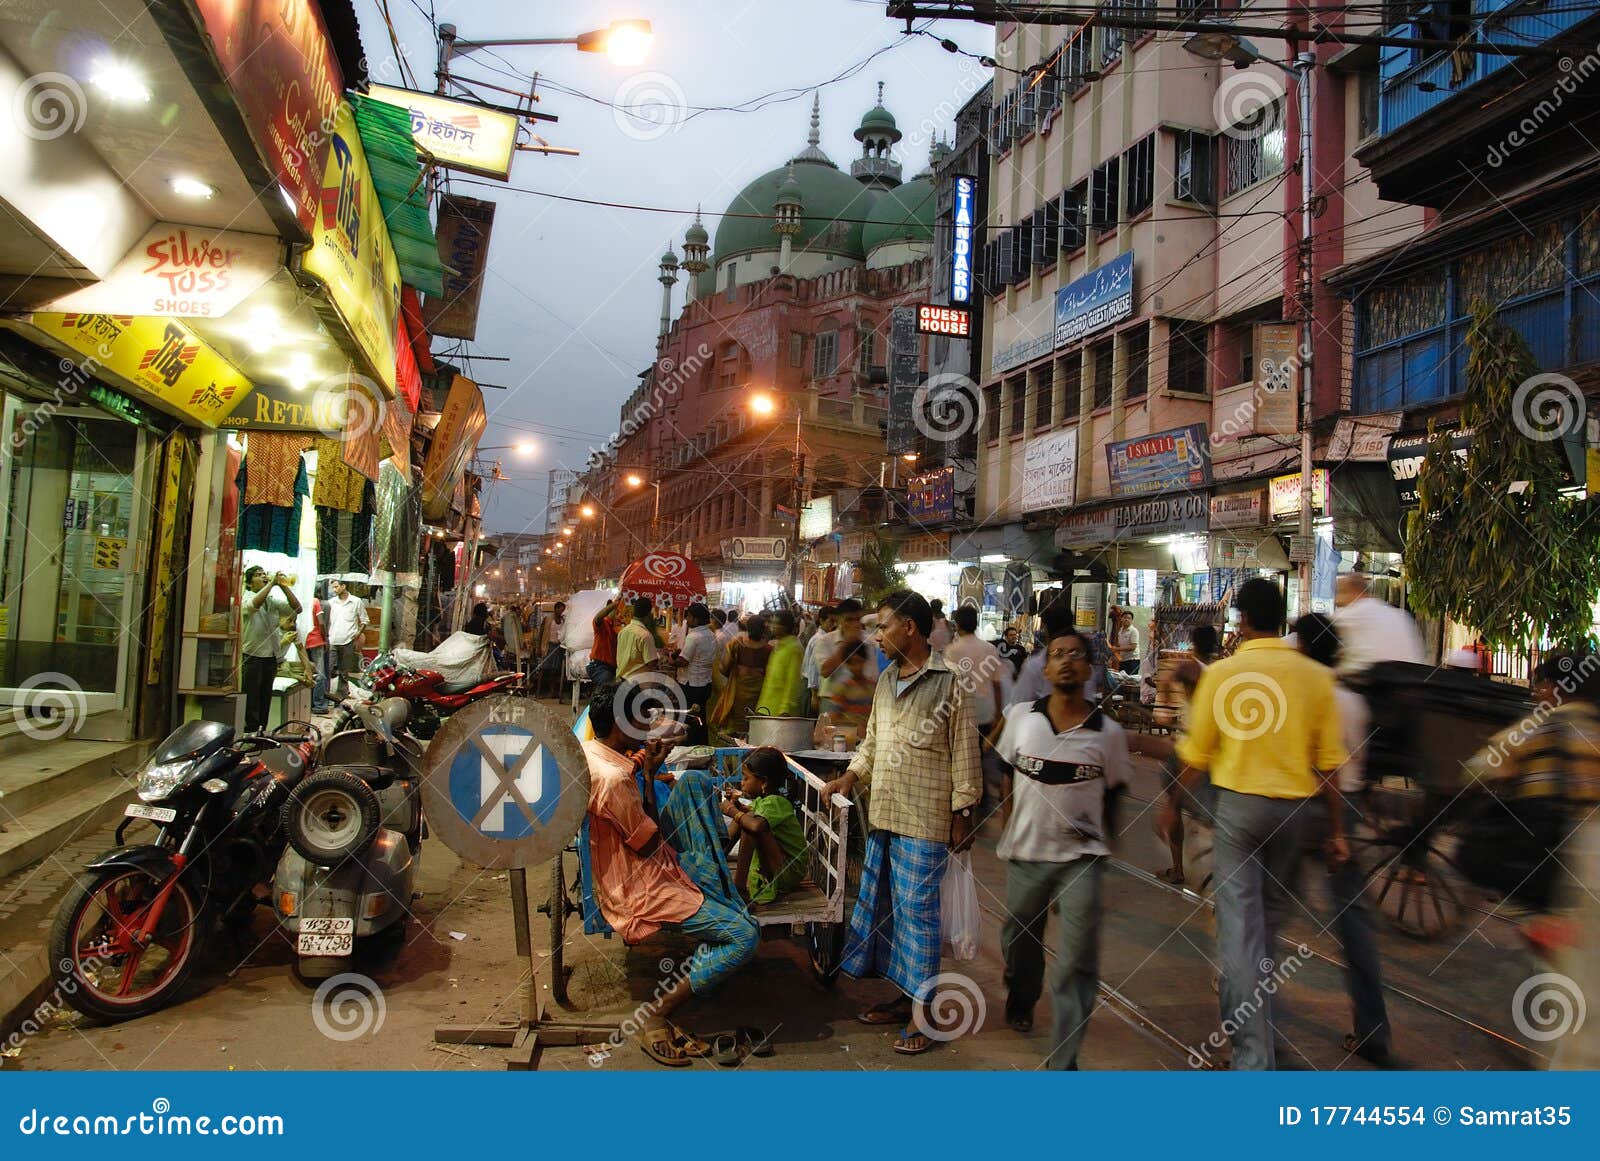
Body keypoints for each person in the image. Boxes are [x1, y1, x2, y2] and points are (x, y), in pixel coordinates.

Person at [1167, 579, 1348, 1070]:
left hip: (1240, 814)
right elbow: (1330, 765)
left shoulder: (1223, 675)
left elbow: (1197, 756)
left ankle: (1253, 1058)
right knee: (1265, 933)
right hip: (1296, 815)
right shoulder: (1315, 678)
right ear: (1282, 618)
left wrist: (1171, 804)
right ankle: (1250, 1028)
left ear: (1242, 620)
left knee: (1240, 933)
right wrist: (1336, 832)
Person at [821, 591, 983, 1055]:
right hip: (885, 814)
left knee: (918, 917)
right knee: (887, 912)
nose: (876, 635)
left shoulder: (950, 682)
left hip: (925, 818)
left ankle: (926, 1017)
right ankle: (904, 997)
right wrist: (850, 776)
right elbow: (872, 742)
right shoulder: (889, 677)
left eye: (884, 626)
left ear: (909, 628)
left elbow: (966, 755)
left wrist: (963, 813)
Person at [582, 682, 759, 1066]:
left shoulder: (597, 752)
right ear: (618, 724)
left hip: (639, 856)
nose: (646, 728)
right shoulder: (615, 778)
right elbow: (648, 843)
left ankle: (719, 883)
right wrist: (646, 775)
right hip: (640, 882)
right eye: (638, 720)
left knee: (695, 781)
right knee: (744, 936)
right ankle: (657, 1014)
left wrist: (650, 771)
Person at [993, 626, 1131, 1068]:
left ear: (1089, 668)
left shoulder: (1107, 732)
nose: (1067, 660)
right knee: (1018, 940)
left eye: (1076, 654)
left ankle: (1063, 1059)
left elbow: (1115, 794)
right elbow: (1003, 775)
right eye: (1058, 654)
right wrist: (1008, 824)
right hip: (1027, 852)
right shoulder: (1021, 718)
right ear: (1046, 667)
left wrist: (1111, 850)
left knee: (1076, 961)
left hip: (1082, 859)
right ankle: (1022, 993)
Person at [1292, 613, 1394, 1067]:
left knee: (1264, 916)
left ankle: (1254, 1028)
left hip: (1303, 808)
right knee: (1355, 926)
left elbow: (1320, 766)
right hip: (1345, 810)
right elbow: (1358, 767)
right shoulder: (1355, 702)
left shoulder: (1305, 695)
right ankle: (1374, 1030)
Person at [721, 746, 810, 905]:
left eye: (745, 778)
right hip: (778, 863)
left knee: (750, 825)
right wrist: (738, 808)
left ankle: (740, 888)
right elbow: (753, 813)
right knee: (745, 819)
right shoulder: (764, 800)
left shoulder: (776, 802)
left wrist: (731, 810)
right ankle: (719, 863)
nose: (742, 783)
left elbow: (756, 826)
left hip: (789, 871)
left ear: (763, 782)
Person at [944, 604, 1009, 818]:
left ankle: (967, 802)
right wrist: (998, 712)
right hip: (985, 712)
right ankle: (983, 801)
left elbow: (948, 686)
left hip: (962, 711)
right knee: (981, 757)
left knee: (963, 757)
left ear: (958, 624)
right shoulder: (989, 649)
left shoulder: (952, 651)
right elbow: (998, 684)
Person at [241, 566, 302, 734]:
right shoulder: (246, 597)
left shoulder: (272, 601)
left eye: (263, 574)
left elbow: (297, 609)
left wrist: (283, 586)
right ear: (249, 582)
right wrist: (271, 584)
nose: (263, 577)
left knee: (265, 698)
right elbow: (254, 605)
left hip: (270, 657)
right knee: (251, 699)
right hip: (252, 656)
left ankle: (262, 732)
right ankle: (249, 735)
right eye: (258, 575)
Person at [1333, 572, 1424, 677]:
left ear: (1353, 591)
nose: (1337, 599)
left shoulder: (1354, 612)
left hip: (1372, 685)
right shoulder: (1401, 616)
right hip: (1411, 683)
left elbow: (1319, 629)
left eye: (1341, 592)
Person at [719, 615, 772, 734]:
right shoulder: (769, 649)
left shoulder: (736, 644)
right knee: (754, 725)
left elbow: (723, 668)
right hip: (760, 692)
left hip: (738, 690)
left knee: (738, 725)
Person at [678, 603, 718, 746]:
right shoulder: (711, 634)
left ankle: (690, 745)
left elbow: (683, 661)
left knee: (689, 717)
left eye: (688, 616)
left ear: (695, 619)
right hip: (705, 682)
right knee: (700, 716)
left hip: (691, 683)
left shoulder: (694, 636)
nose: (687, 619)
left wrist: (671, 660)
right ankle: (701, 744)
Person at [819, 641, 875, 741]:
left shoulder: (873, 687)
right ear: (846, 665)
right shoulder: (842, 688)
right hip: (848, 738)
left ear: (865, 661)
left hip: (869, 737)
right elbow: (833, 718)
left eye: (859, 661)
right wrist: (854, 729)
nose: (856, 667)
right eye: (851, 663)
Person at [756, 609, 805, 717]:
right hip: (766, 707)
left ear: (785, 627)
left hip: (779, 712)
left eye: (775, 623)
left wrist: (785, 709)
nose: (770, 626)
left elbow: (792, 682)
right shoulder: (778, 645)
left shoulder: (794, 648)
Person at [325, 578, 366, 700]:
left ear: (344, 586)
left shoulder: (356, 601)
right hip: (332, 640)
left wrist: (358, 633)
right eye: (333, 587)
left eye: (336, 587)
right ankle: (326, 695)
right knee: (329, 668)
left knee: (344, 670)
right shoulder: (331, 602)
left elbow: (364, 620)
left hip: (348, 640)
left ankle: (341, 695)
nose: (334, 589)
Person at [801, 604, 840, 713]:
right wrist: (814, 695)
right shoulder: (820, 640)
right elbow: (813, 669)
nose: (834, 625)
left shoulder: (826, 638)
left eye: (836, 621)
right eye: (831, 621)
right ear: (821, 621)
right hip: (811, 687)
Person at [616, 597, 662, 680]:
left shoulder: (623, 631)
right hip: (638, 683)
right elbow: (651, 662)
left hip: (622, 679)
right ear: (648, 614)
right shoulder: (645, 635)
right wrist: (659, 658)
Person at [303, 588, 330, 714]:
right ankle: (318, 705)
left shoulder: (300, 600)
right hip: (316, 640)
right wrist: (325, 639)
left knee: (307, 672)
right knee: (320, 674)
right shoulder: (315, 602)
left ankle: (306, 703)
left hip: (302, 641)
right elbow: (322, 623)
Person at [590, 598, 626, 685]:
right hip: (600, 667)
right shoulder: (604, 623)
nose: (620, 616)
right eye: (617, 612)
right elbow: (597, 618)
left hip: (614, 668)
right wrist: (615, 604)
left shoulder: (620, 629)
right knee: (607, 685)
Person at [1110, 610, 1141, 675]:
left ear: (1132, 620)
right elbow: (1120, 645)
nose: (1126, 619)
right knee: (1122, 679)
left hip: (1132, 660)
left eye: (1129, 618)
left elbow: (1133, 647)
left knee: (1130, 681)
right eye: (1125, 617)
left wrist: (1116, 649)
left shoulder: (1134, 631)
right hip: (1123, 660)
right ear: (1121, 619)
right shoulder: (1120, 631)